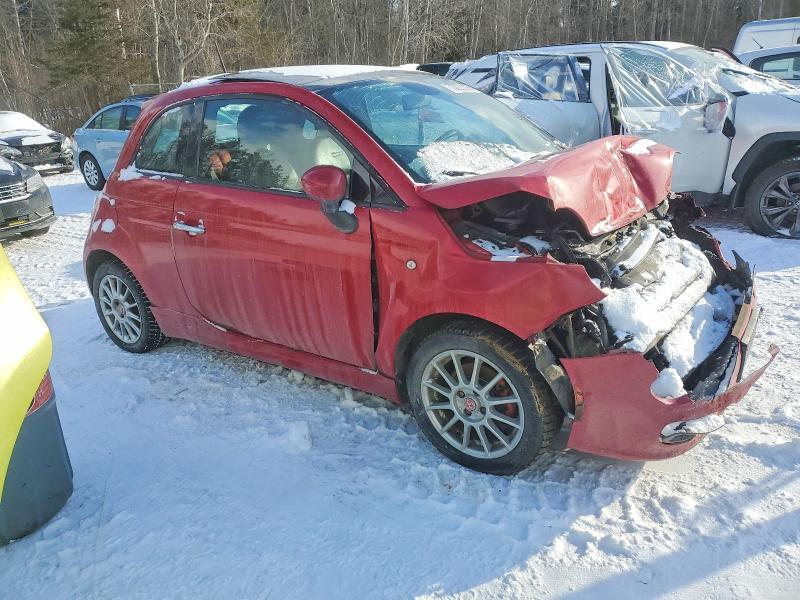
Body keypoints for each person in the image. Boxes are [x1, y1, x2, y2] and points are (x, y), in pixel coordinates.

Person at [207, 104, 300, 190]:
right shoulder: (282, 165)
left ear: (239, 131)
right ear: (270, 134)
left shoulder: (227, 160)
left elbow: (214, 186)